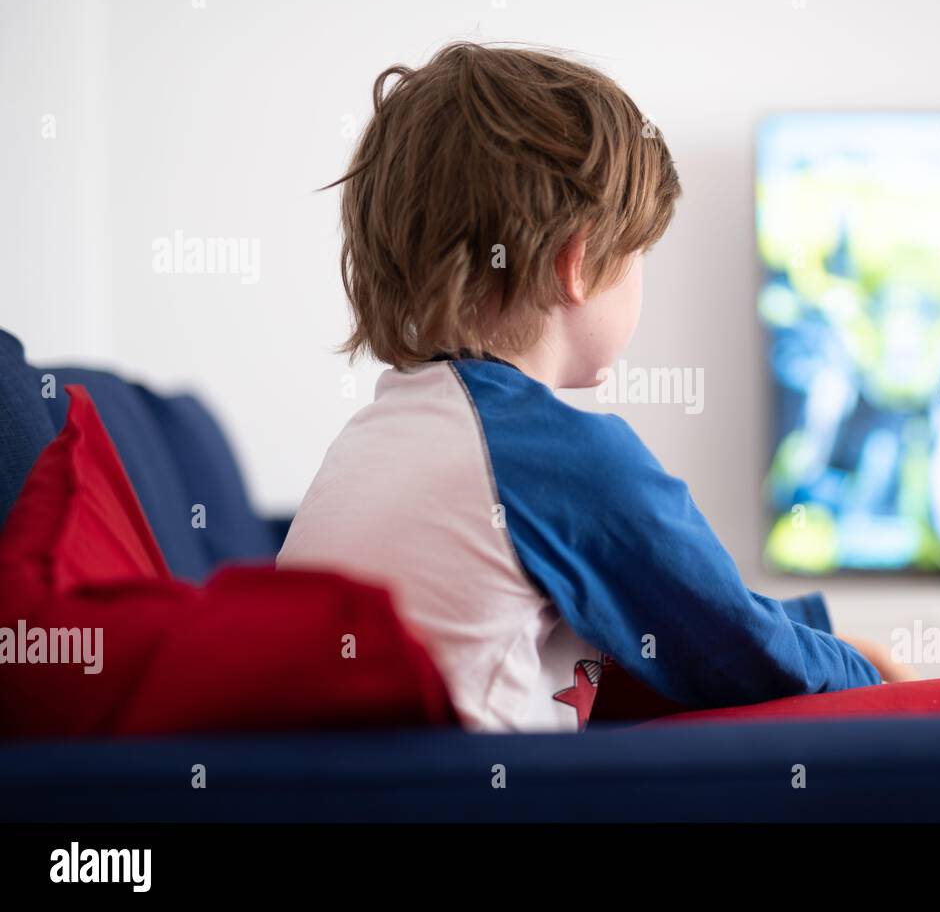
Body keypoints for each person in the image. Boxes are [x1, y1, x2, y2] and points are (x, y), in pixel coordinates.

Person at [279, 42, 906, 732]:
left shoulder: (381, 434)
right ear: (575, 264)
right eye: (640, 254)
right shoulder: (552, 453)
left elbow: (670, 603)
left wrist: (818, 629)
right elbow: (735, 646)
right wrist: (870, 674)